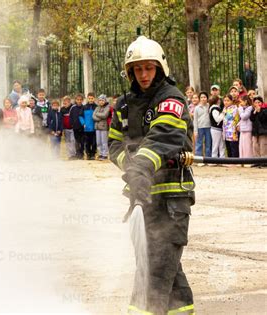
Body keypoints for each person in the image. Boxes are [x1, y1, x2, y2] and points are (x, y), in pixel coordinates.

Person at [108, 36, 195, 315]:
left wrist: (141, 167)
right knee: (165, 268)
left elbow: (164, 136)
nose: (143, 75)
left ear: (160, 68)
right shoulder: (123, 105)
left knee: (154, 270)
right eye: (137, 69)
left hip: (172, 199)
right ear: (130, 71)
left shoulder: (171, 98)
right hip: (141, 198)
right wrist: (132, 169)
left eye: (149, 68)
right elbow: (114, 145)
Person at [193, 91, 211, 160]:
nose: (203, 99)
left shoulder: (209, 106)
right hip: (200, 128)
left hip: (208, 127)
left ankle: (208, 159)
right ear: (199, 99)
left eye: (204, 97)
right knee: (199, 143)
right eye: (201, 97)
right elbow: (195, 120)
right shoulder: (197, 108)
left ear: (207, 98)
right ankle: (199, 159)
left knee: (208, 143)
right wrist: (195, 131)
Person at [79, 92, 97, 160]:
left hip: (94, 128)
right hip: (86, 129)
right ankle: (88, 154)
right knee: (87, 143)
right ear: (87, 98)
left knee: (94, 142)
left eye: (92, 98)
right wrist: (83, 123)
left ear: (94, 98)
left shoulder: (97, 107)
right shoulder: (84, 107)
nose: (91, 100)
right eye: (89, 98)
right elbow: (80, 116)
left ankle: (93, 154)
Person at [250, 96, 267, 166]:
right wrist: (254, 112)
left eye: (259, 102)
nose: (257, 104)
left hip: (263, 131)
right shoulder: (253, 111)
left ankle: (264, 161)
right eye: (255, 102)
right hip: (255, 131)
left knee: (263, 146)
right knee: (255, 146)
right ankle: (256, 161)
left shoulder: (265, 110)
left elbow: (263, 119)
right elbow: (252, 119)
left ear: (262, 103)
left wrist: (259, 111)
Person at [92, 94, 110, 160]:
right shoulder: (97, 107)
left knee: (104, 141)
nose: (101, 102)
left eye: (102, 100)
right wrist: (99, 117)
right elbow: (93, 116)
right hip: (97, 127)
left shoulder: (107, 107)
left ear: (105, 101)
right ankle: (100, 154)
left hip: (104, 127)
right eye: (100, 100)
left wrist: (97, 114)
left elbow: (105, 115)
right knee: (98, 142)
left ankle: (105, 154)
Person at [60, 95, 76, 159]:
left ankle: (73, 154)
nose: (64, 104)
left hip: (72, 128)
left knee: (73, 141)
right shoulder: (62, 109)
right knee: (67, 142)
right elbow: (61, 119)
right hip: (66, 129)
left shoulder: (73, 107)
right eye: (63, 103)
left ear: (69, 102)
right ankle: (69, 155)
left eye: (66, 103)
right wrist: (62, 128)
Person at [238, 95, 253, 159]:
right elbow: (241, 119)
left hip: (248, 130)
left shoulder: (249, 108)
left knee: (247, 146)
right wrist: (238, 124)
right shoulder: (243, 109)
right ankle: (242, 160)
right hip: (242, 130)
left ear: (246, 101)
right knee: (242, 146)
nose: (240, 103)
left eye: (241, 102)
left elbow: (244, 117)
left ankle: (248, 160)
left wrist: (240, 109)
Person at [70, 93, 85, 159]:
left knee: (82, 141)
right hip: (75, 128)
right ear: (75, 100)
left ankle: (81, 154)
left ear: (82, 100)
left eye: (80, 100)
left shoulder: (84, 107)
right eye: (77, 99)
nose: (79, 101)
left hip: (82, 128)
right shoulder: (73, 108)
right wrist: (72, 124)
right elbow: (70, 117)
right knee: (76, 141)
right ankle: (77, 153)